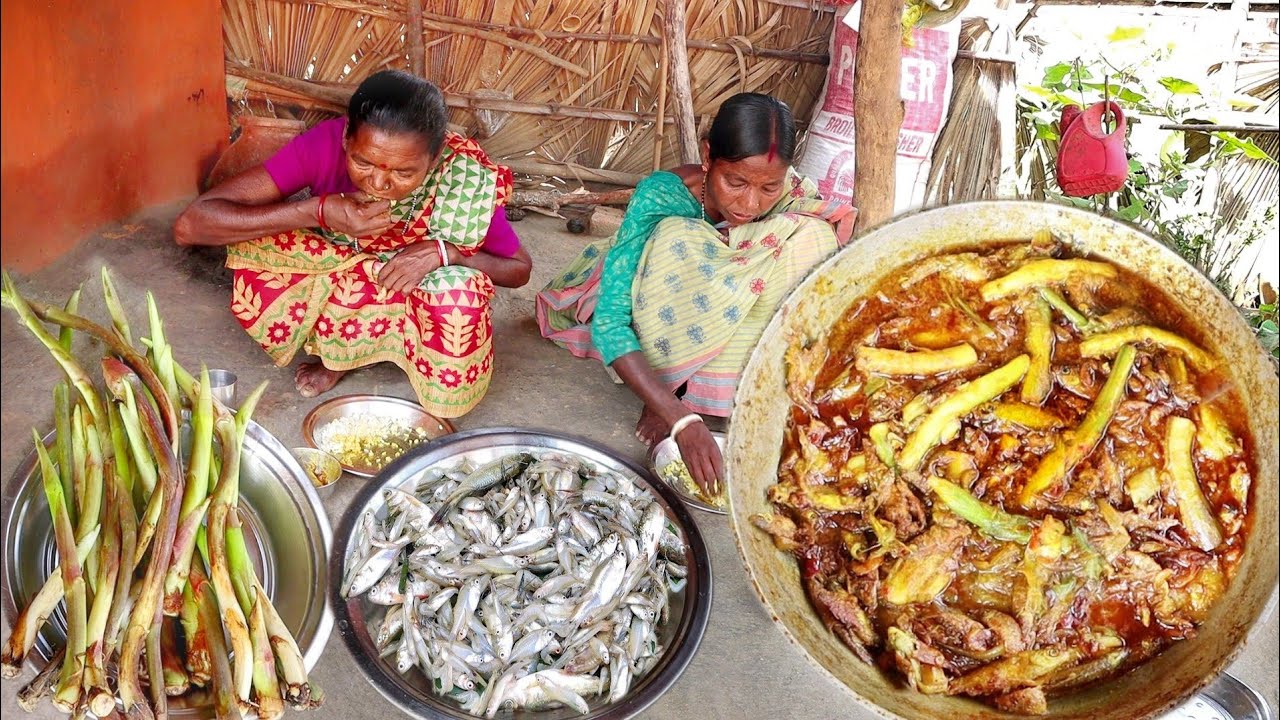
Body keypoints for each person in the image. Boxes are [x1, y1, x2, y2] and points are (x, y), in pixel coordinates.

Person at [535, 92, 856, 495]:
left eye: (769, 187)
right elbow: (611, 322)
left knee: (814, 237)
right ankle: (673, 385)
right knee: (678, 239)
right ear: (707, 157)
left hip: (726, 306)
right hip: (653, 291)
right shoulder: (662, 197)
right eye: (735, 182)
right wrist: (677, 414)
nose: (750, 203)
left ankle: (748, 387)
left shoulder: (790, 193)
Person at [174, 70, 532, 418]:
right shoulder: (323, 147)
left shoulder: (461, 176)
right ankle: (340, 355)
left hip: (413, 285)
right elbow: (191, 226)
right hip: (345, 268)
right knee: (262, 243)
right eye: (363, 162)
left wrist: (446, 253)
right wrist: (316, 211)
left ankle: (418, 360)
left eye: (403, 172)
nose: (378, 182)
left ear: (435, 158)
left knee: (460, 292)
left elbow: (518, 269)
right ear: (347, 138)